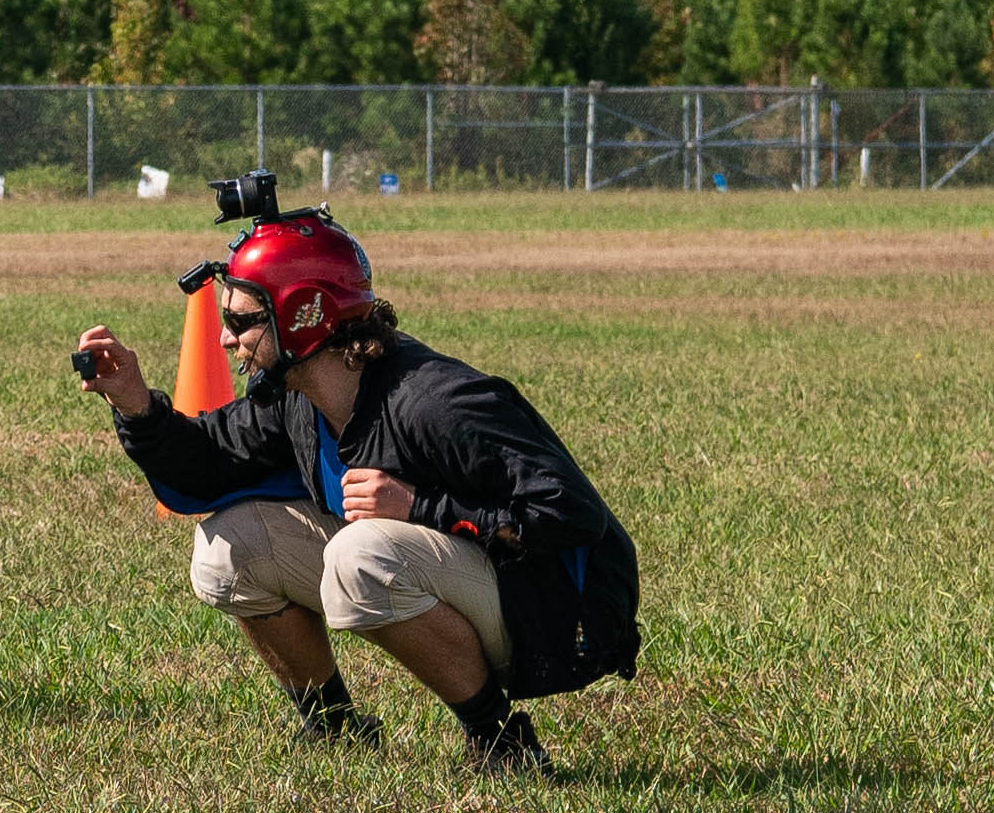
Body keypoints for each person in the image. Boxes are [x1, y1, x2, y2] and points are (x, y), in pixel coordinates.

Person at [73, 198, 638, 772]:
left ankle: (499, 743)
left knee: (360, 555)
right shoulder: (297, 395)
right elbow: (204, 463)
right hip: (468, 581)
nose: (224, 338)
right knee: (229, 551)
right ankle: (334, 728)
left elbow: (570, 512)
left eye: (242, 321)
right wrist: (137, 405)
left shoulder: (437, 403)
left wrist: (418, 506)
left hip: (558, 616)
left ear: (305, 314)